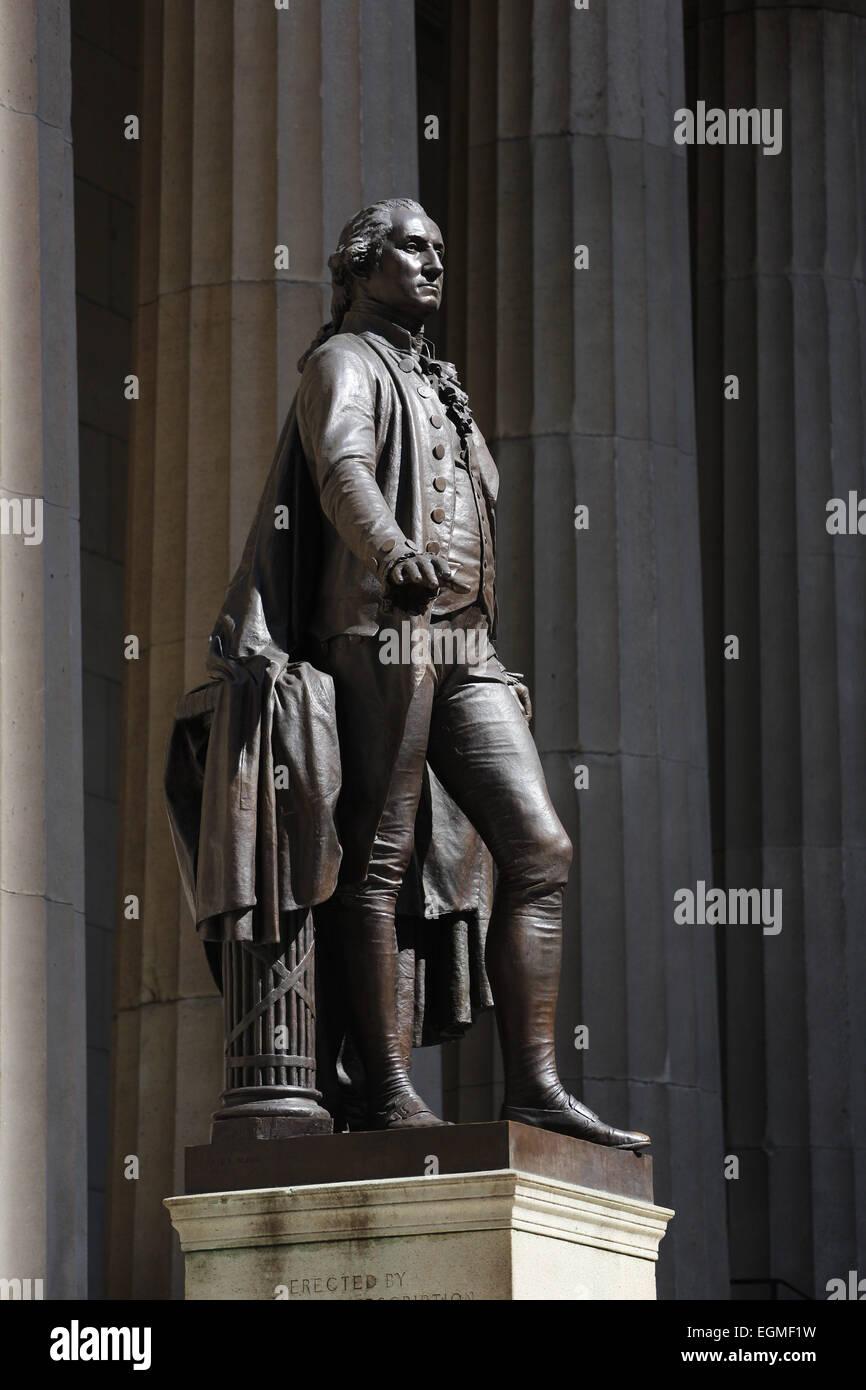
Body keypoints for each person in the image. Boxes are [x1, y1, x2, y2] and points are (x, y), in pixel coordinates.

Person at [276, 198, 650, 1149]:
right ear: (361, 265)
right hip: (385, 626)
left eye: (442, 248)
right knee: (376, 858)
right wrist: (391, 550)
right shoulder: (344, 361)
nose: (434, 262)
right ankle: (387, 1087)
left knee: (541, 849)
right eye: (412, 246)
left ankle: (532, 1082)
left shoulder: (438, 378)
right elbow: (343, 469)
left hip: (464, 644)